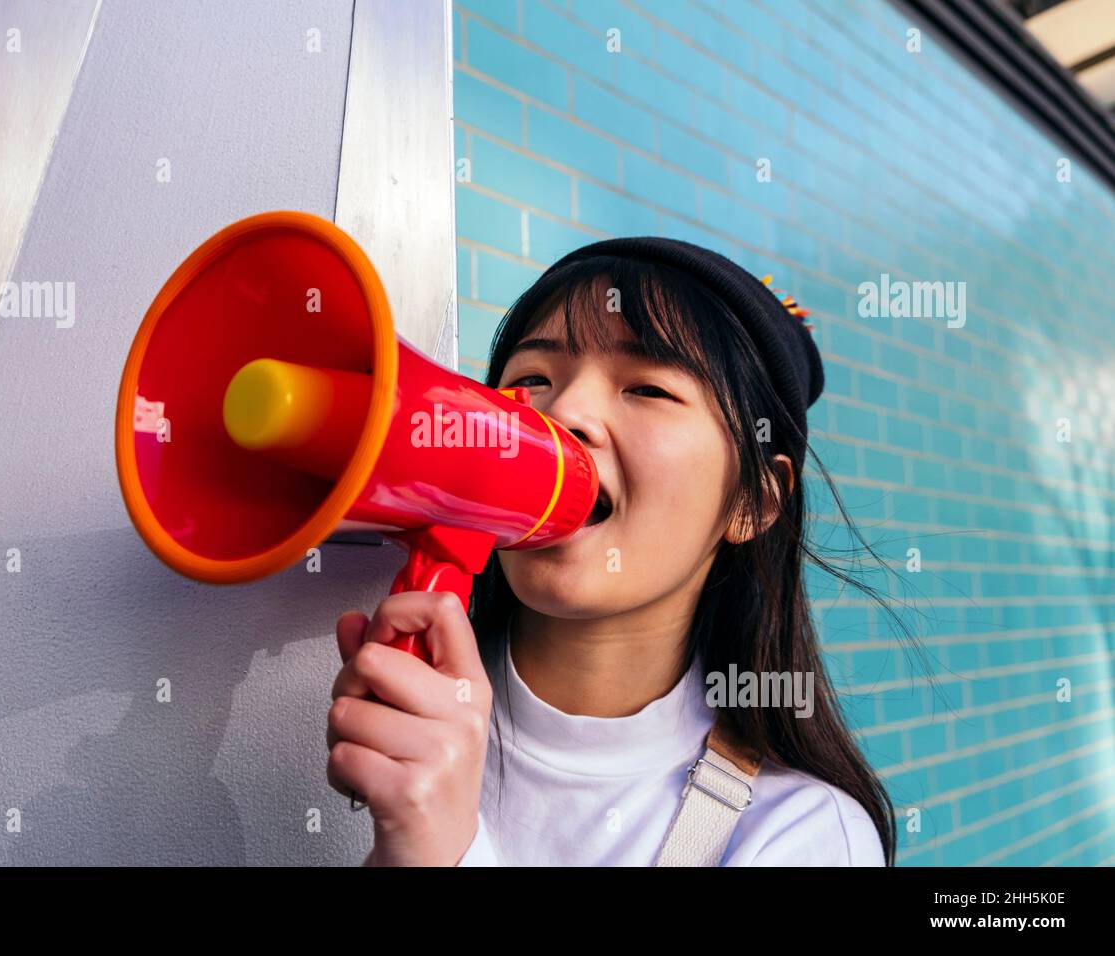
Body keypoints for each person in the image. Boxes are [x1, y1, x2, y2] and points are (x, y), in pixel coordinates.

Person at [326, 237, 902, 866]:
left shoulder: (805, 835)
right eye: (533, 379)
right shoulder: (366, 701)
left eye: (648, 389)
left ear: (753, 503)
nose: (564, 412)